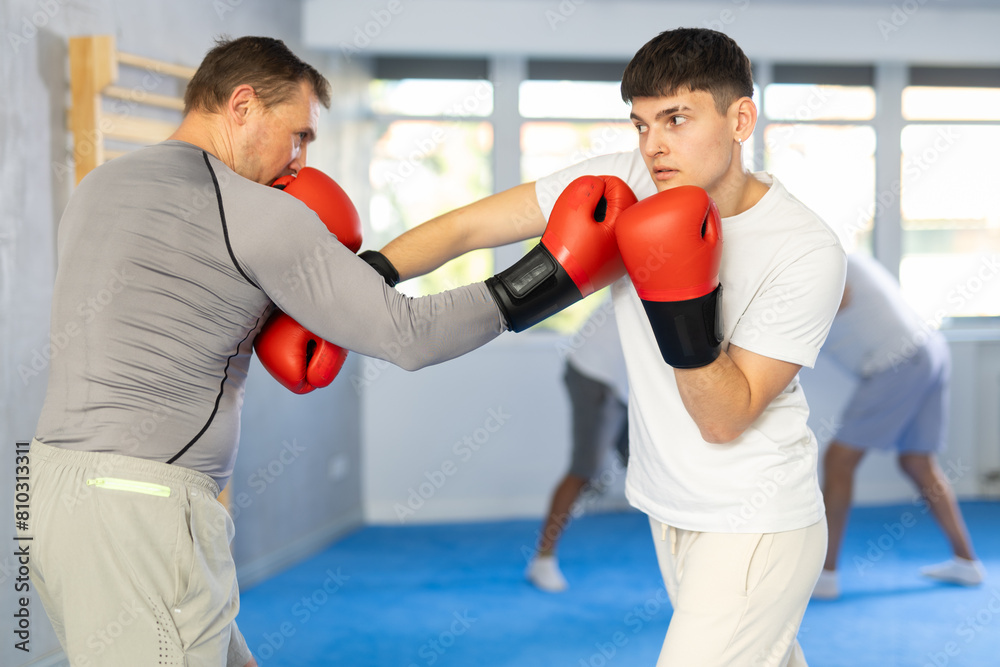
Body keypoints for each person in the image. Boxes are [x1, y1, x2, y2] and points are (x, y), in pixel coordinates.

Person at [27, 36, 631, 667]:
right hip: (142, 510)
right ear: (241, 106)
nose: (299, 162)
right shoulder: (252, 212)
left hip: (50, 489)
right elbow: (409, 335)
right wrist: (554, 276)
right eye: (299, 134)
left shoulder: (100, 185)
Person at [373, 27, 846, 666]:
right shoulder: (625, 182)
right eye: (641, 125)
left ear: (741, 119)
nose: (654, 146)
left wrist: (679, 291)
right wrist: (367, 276)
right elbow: (470, 225)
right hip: (670, 507)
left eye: (676, 120)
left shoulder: (803, 247)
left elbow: (723, 417)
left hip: (756, 517)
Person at [812, 253, 986, 600]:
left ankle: (825, 577)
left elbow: (834, 300)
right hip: (927, 350)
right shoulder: (840, 257)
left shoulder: (822, 263)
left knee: (838, 462)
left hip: (899, 362)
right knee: (917, 462)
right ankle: (967, 563)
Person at [526, 297, 629, 592]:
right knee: (585, 469)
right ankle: (542, 560)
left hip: (620, 381)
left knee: (648, 465)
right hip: (595, 374)